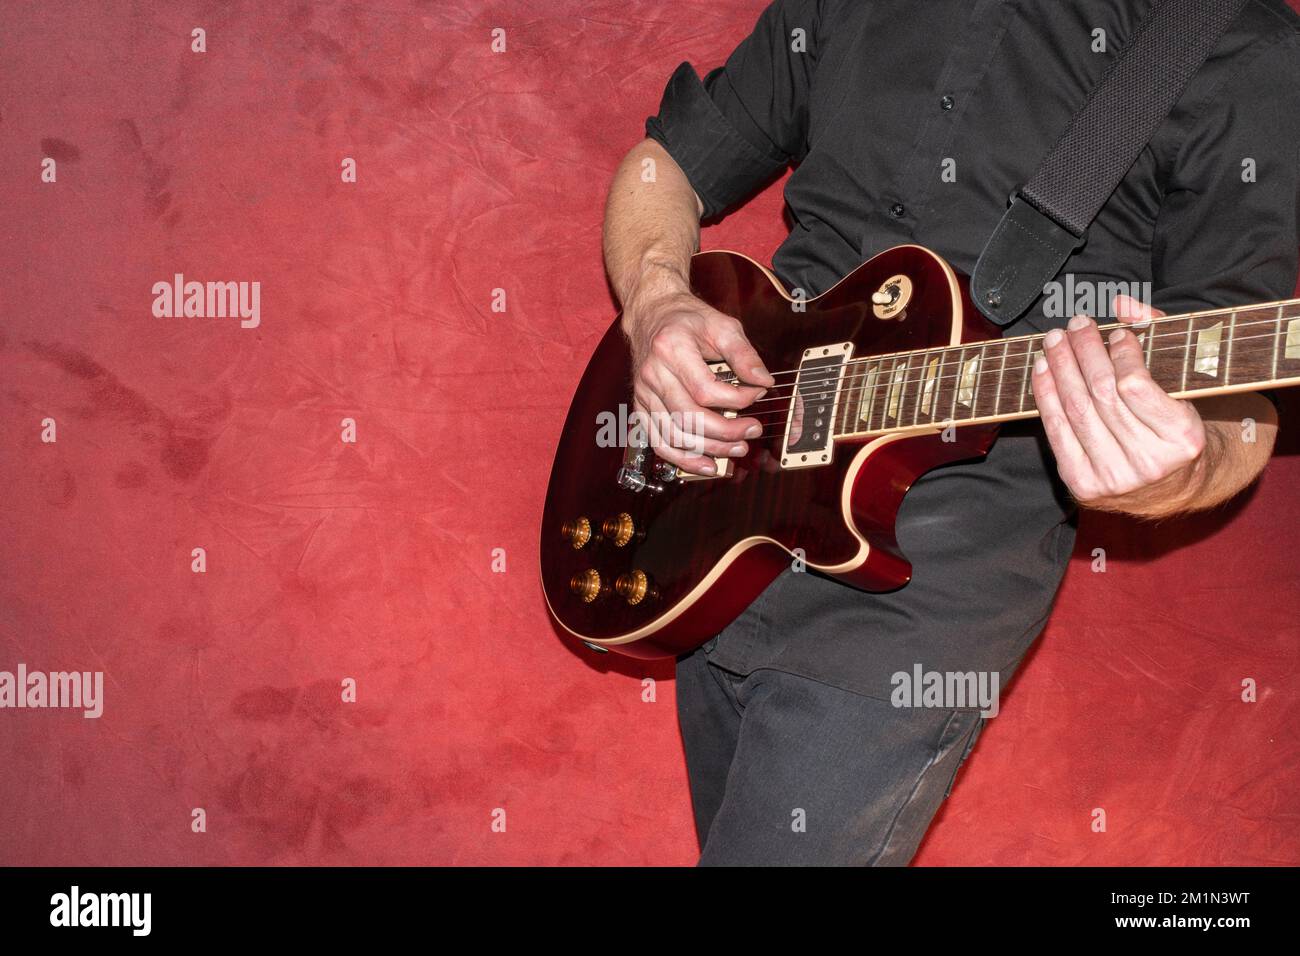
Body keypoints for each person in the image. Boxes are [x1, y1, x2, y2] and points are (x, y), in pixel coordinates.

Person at [600, 0, 1300, 865]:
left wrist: (1174, 479)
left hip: (920, 594)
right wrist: (657, 298)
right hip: (719, 506)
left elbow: (1243, 390)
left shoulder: (1236, 42)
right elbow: (665, 163)